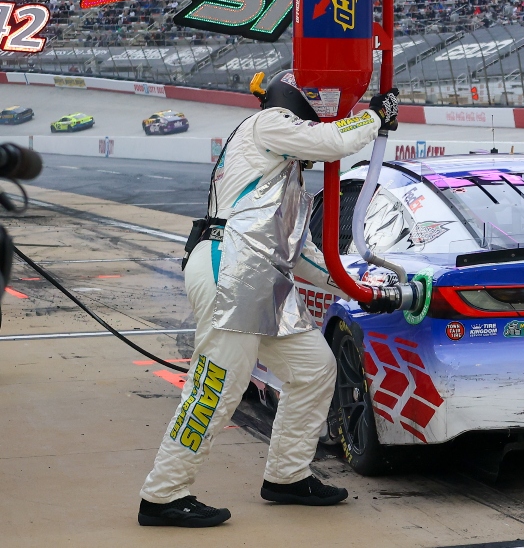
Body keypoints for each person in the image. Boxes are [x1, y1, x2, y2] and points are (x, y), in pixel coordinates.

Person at [137, 71, 403, 527]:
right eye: (321, 107)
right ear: (300, 102)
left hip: (258, 277)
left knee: (315, 369)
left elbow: (301, 257)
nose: (326, 116)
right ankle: (163, 494)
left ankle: (287, 477)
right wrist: (374, 117)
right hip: (231, 267)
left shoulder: (285, 172)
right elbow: (332, 141)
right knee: (215, 387)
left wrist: (362, 292)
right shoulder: (269, 123)